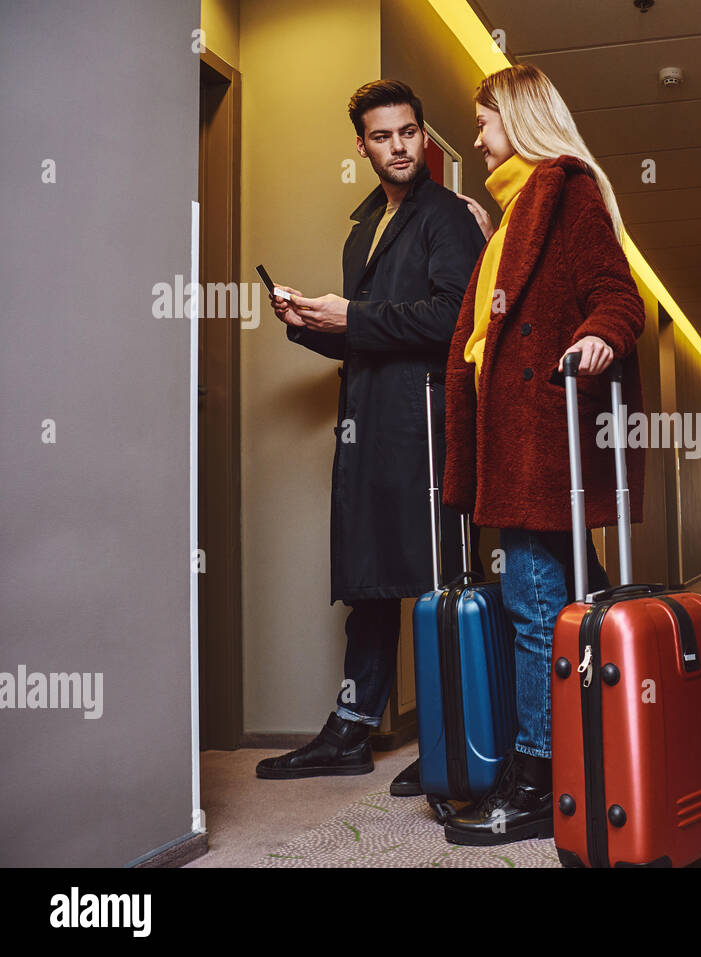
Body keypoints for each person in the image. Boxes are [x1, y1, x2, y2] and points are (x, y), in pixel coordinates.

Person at [256, 80, 486, 795]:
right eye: (383, 136)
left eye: (409, 132)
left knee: (433, 575)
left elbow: (453, 318)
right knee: (370, 580)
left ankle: (451, 733)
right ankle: (352, 727)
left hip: (423, 423)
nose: (399, 146)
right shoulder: (364, 227)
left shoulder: (446, 216)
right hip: (366, 423)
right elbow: (368, 336)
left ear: (424, 135)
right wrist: (309, 323)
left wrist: (350, 315)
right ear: (362, 146)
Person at [439, 64, 647, 846]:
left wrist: (598, 334)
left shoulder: (565, 189)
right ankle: (564, 762)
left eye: (485, 119)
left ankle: (536, 779)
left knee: (533, 605)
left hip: (541, 437)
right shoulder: (519, 213)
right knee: (551, 605)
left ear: (519, 120)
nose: (476, 134)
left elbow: (616, 294)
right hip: (523, 439)